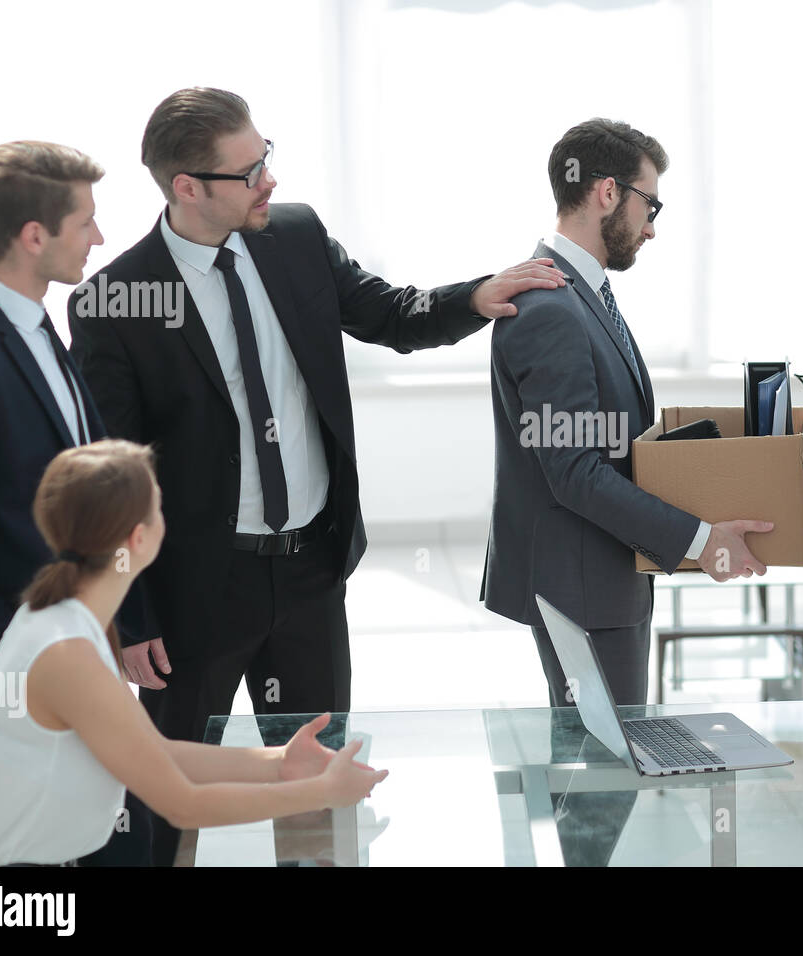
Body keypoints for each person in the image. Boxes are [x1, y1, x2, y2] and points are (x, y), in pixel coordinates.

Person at [68, 88, 564, 866]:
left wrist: (476, 296)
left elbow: (389, 313)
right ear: (187, 188)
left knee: (317, 782)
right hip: (197, 591)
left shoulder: (293, 237)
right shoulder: (114, 301)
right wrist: (129, 614)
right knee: (161, 797)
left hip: (309, 572)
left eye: (268, 155)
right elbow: (110, 473)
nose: (269, 179)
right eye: (249, 170)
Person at [481, 119, 771, 866]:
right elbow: (575, 472)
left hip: (596, 578)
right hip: (583, 586)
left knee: (601, 779)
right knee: (604, 787)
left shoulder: (580, 292)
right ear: (606, 192)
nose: (652, 226)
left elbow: (608, 442)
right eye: (650, 204)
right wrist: (701, 540)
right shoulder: (549, 306)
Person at [0, 440, 387, 867]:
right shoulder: (68, 651)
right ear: (137, 538)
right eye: (158, 505)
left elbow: (158, 753)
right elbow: (183, 805)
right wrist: (322, 791)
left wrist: (282, 762)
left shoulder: (68, 617)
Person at [0, 141, 150, 863]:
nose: (100, 238)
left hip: (84, 652)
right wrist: (30, 662)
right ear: (34, 236)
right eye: (85, 222)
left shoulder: (38, 322)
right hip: (34, 676)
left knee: (118, 837)